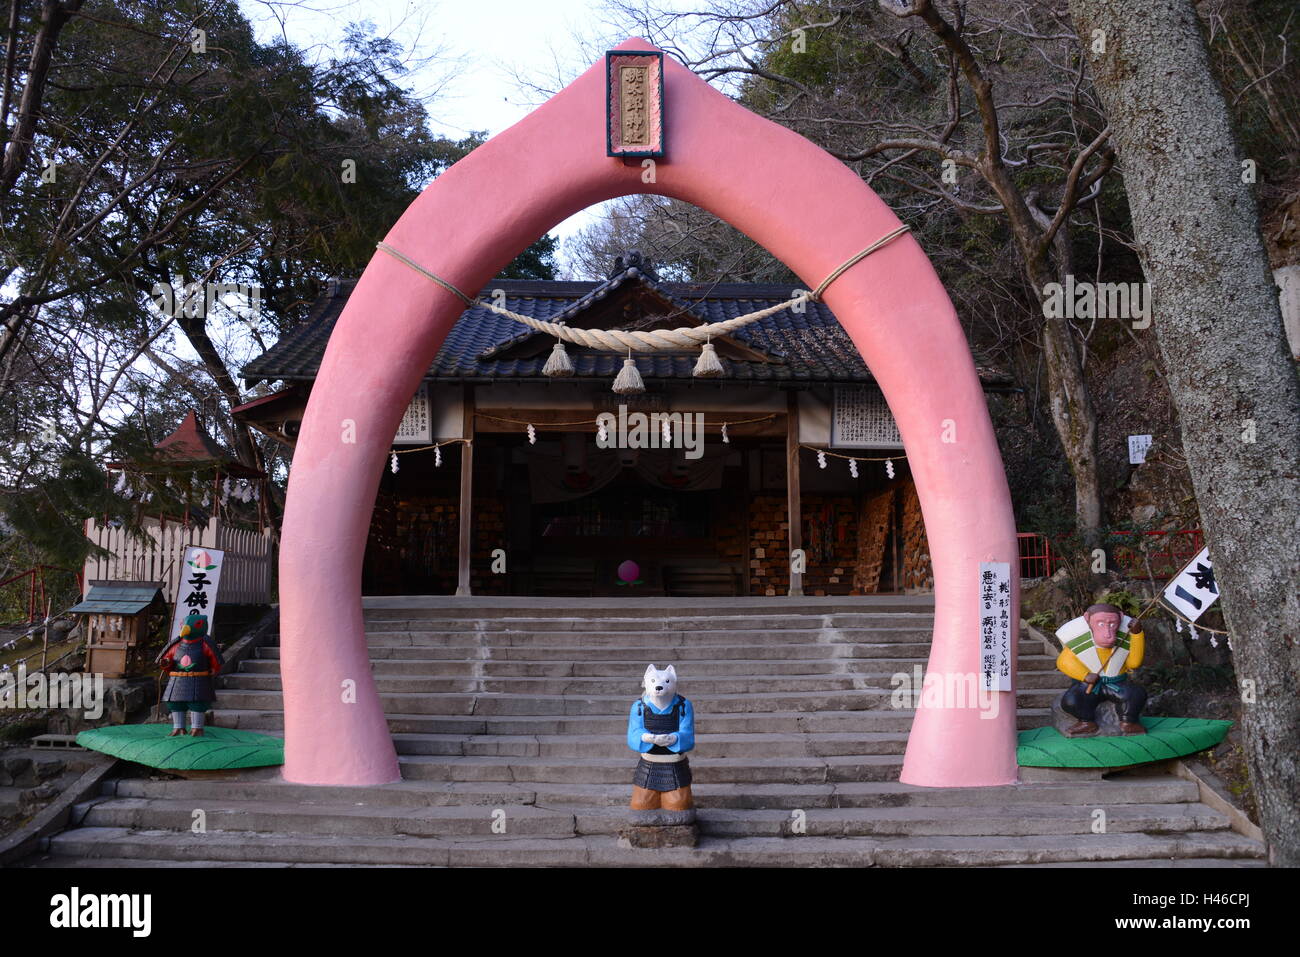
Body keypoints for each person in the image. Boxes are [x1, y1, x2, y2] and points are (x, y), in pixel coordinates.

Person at [1056, 603, 1147, 737]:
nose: (1107, 633)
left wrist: (1137, 634)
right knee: (1072, 700)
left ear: (1120, 619)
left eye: (1112, 624)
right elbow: (1063, 662)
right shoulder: (1079, 642)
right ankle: (1086, 721)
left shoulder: (1123, 641)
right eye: (1100, 624)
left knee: (1136, 694)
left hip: (1116, 683)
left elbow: (1134, 663)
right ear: (1087, 619)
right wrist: (1085, 675)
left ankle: (1128, 722)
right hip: (1090, 685)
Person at [627, 664, 695, 810]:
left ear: (674, 682)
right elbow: (634, 733)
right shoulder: (639, 707)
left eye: (666, 681)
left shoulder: (683, 706)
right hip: (649, 764)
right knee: (641, 805)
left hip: (674, 765)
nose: (659, 686)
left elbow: (688, 734)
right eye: (654, 682)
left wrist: (674, 739)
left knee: (678, 805)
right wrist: (645, 737)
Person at [156, 611, 223, 737]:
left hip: (199, 679)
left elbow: (216, 661)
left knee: (198, 703)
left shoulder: (205, 643)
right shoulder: (176, 644)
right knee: (175, 703)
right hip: (177, 680)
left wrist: (213, 670)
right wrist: (166, 663)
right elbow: (167, 659)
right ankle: (178, 727)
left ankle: (197, 728)